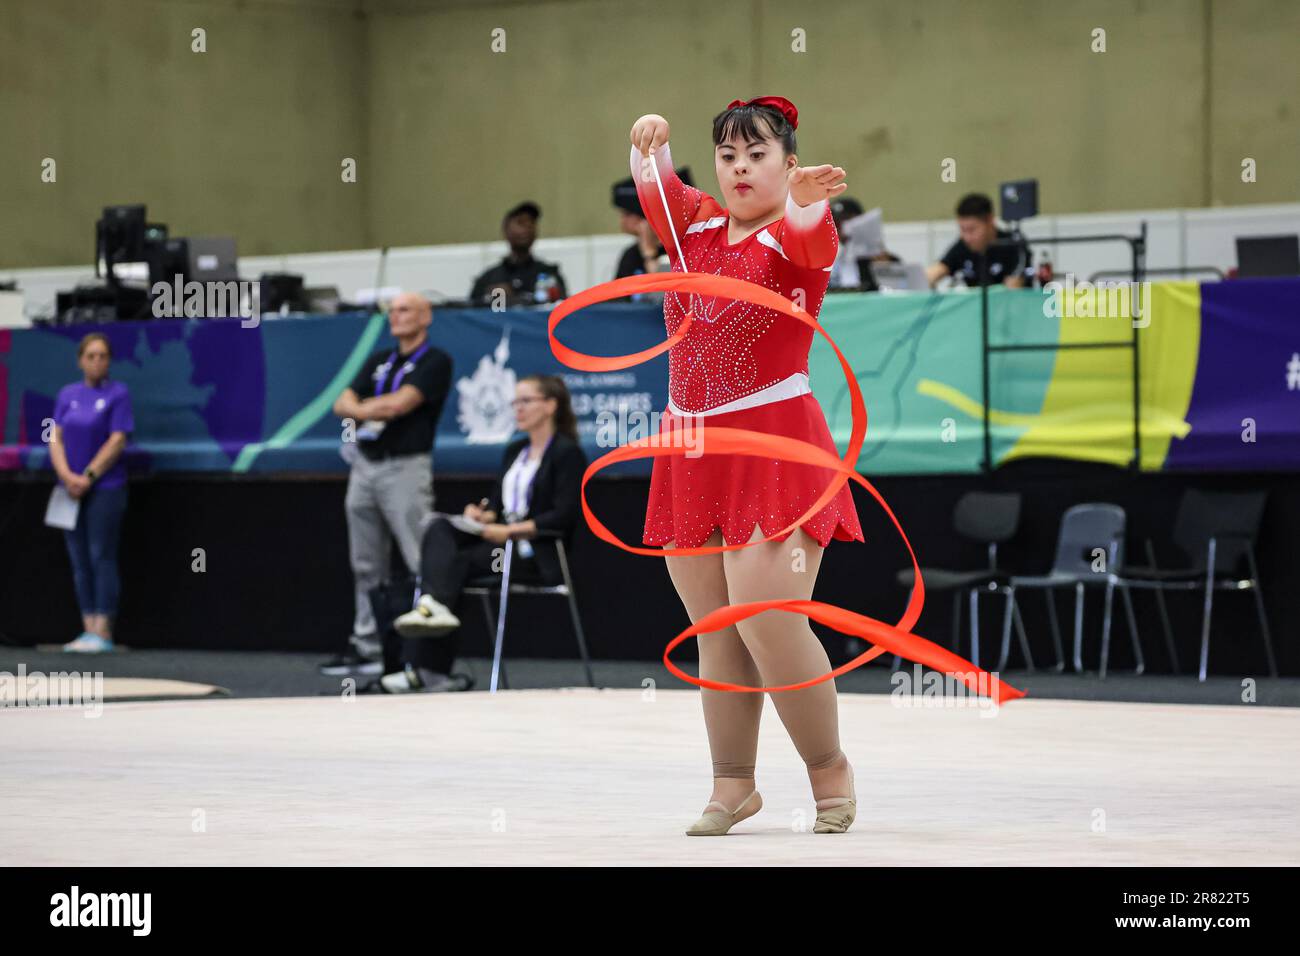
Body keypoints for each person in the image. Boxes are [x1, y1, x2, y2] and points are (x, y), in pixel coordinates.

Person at [628, 97, 863, 836]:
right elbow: (653, 184)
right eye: (728, 155)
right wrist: (650, 145)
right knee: (716, 628)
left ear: (789, 163)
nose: (739, 167)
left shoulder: (800, 231)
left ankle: (828, 769)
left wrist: (803, 203)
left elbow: (810, 236)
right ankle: (733, 784)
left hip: (773, 443)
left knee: (766, 615)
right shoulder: (694, 222)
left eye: (756, 153)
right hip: (693, 446)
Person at [386, 374, 587, 692]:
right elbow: (496, 503)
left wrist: (509, 531)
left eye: (525, 401)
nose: (517, 408)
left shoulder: (566, 453)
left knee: (453, 566)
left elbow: (564, 515)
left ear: (550, 406)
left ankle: (427, 668)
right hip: (498, 550)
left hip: (533, 556)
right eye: (514, 402)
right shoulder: (516, 451)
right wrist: (481, 514)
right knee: (439, 527)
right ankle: (432, 618)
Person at [320, 292, 452, 676]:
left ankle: (424, 650)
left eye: (406, 309)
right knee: (365, 562)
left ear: (426, 316)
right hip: (365, 465)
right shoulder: (380, 360)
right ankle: (368, 646)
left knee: (417, 556)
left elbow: (401, 404)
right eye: (392, 310)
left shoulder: (435, 361)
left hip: (406, 467)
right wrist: (364, 410)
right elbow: (340, 400)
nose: (396, 316)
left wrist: (362, 410)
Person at [48, 332, 133, 653]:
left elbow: (117, 440)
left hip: (105, 489)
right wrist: (67, 475)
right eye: (91, 356)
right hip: (69, 489)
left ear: (109, 361)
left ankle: (103, 629)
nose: (97, 361)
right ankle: (86, 628)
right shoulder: (67, 395)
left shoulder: (118, 394)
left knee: (101, 554)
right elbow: (55, 437)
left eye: (103, 356)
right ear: (80, 360)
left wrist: (89, 476)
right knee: (79, 559)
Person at [469, 202, 569, 308]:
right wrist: (497, 298)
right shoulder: (489, 279)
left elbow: (561, 310)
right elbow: (473, 315)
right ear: (506, 230)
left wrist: (518, 298)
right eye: (521, 223)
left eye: (531, 223)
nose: (527, 228)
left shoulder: (549, 274)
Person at [925, 192, 1030, 288]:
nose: (967, 237)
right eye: (962, 229)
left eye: (972, 230)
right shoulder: (963, 245)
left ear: (990, 221)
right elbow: (937, 271)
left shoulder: (1012, 245)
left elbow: (1012, 289)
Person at [827, 197, 897, 290]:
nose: (842, 230)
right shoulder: (833, 267)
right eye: (836, 224)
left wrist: (885, 267)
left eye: (846, 221)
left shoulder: (884, 259)